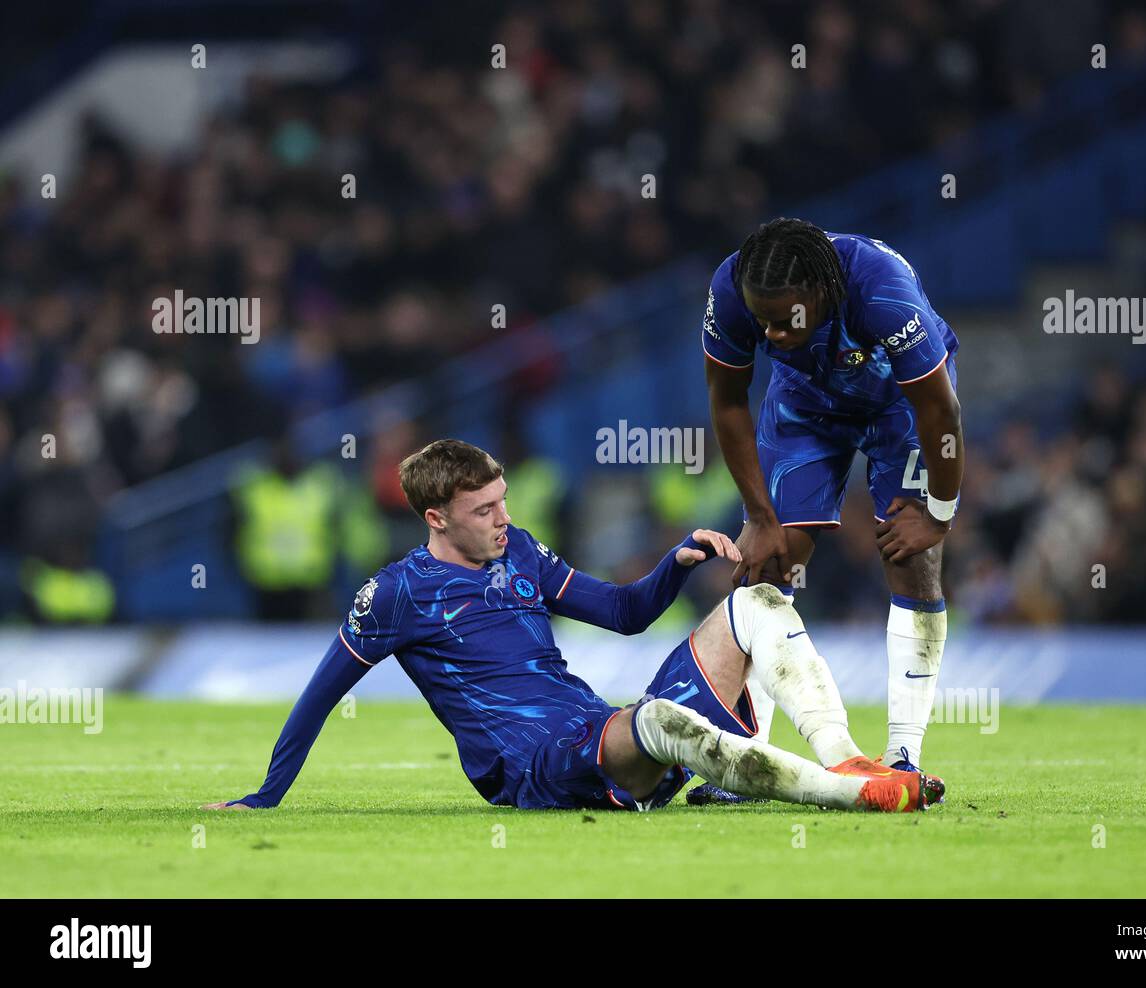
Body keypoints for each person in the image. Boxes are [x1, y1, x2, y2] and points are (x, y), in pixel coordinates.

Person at [202, 439, 944, 814]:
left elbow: (621, 615)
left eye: (503, 500)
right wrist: (268, 794)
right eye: (485, 509)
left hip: (602, 731)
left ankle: (848, 760)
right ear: (436, 519)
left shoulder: (517, 551)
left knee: (756, 605)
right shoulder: (395, 595)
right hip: (538, 767)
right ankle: (847, 797)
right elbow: (320, 693)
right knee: (656, 718)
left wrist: (674, 565)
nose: (505, 518)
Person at [698, 217, 963, 803]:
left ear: (821, 293)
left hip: (901, 408)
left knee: (909, 557)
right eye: (760, 320)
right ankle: (752, 761)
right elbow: (727, 398)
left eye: (784, 319)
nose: (771, 333)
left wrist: (939, 512)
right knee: (769, 564)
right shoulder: (732, 288)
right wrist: (759, 515)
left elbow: (940, 413)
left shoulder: (883, 290)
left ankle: (902, 758)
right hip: (804, 405)